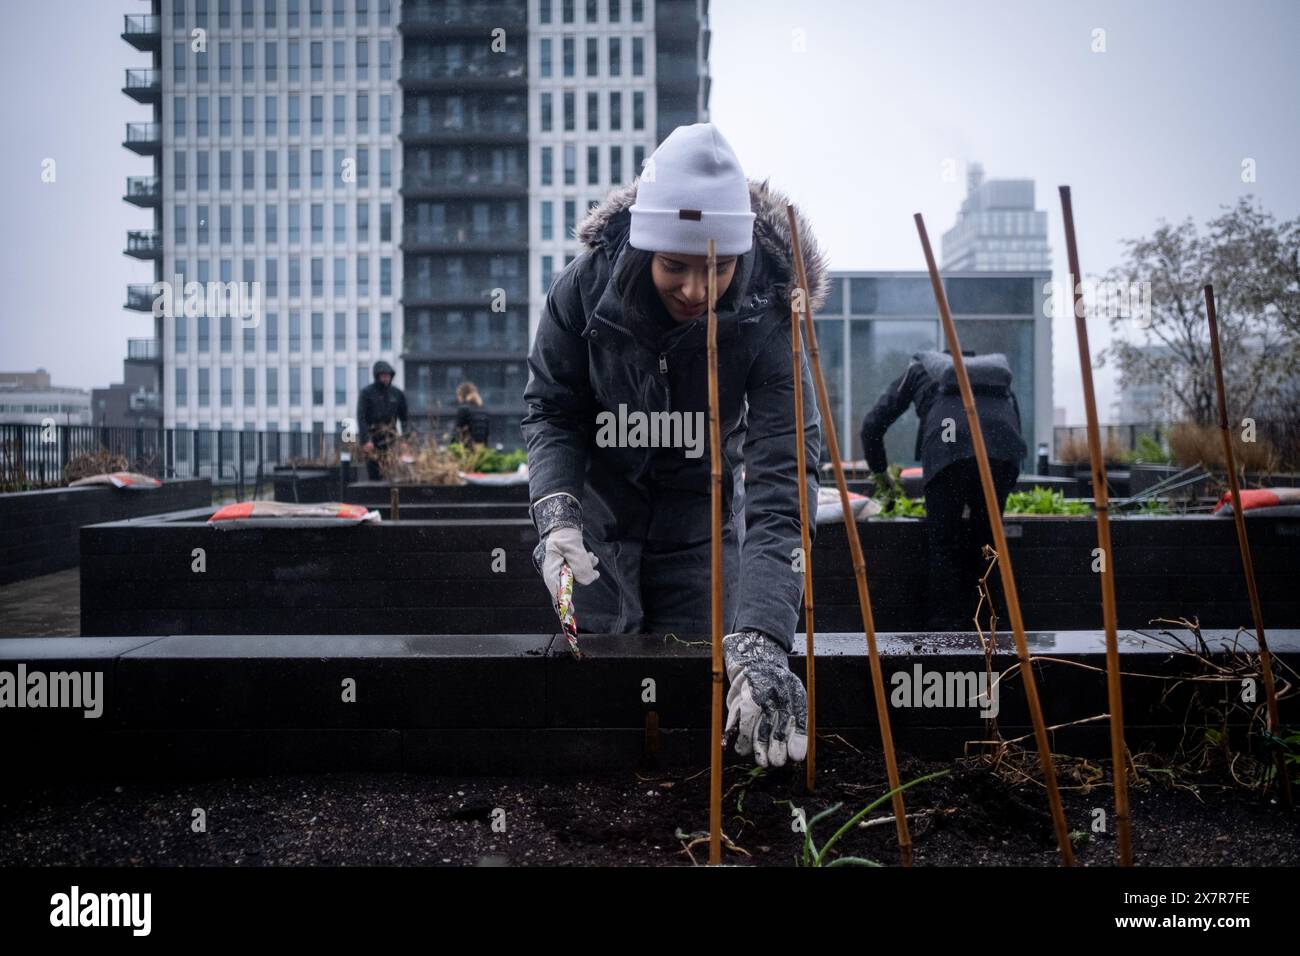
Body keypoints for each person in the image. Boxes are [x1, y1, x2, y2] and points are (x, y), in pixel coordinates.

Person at [522, 123, 828, 768]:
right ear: (644, 248)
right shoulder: (583, 291)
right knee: (597, 722)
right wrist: (556, 514)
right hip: (597, 540)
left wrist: (765, 633)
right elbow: (553, 409)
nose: (697, 289)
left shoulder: (769, 318)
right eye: (676, 266)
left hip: (701, 536)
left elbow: (782, 479)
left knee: (701, 710)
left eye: (719, 267)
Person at [859, 349, 1026, 630]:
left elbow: (872, 425)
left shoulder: (920, 369)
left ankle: (946, 631)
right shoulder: (995, 376)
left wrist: (881, 475)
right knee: (987, 540)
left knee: (943, 543)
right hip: (1001, 449)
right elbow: (1015, 423)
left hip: (948, 449)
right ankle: (992, 625)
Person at [357, 359, 408, 481]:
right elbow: (361, 417)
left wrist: (405, 440)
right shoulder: (366, 393)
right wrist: (366, 440)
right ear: (377, 376)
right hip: (372, 439)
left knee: (391, 471)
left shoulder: (397, 394)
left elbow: (404, 419)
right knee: (374, 472)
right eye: (383, 375)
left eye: (388, 375)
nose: (386, 378)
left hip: (391, 438)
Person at [453, 381, 491, 447]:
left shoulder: (463, 409)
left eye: (458, 395)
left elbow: (458, 431)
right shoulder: (483, 410)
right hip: (481, 449)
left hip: (467, 449)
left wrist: (452, 447)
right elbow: (486, 434)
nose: (457, 398)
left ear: (462, 395)